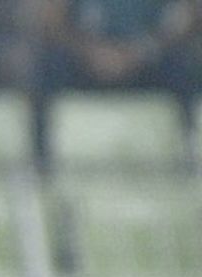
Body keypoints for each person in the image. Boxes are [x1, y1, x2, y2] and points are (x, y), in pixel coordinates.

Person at [30, 1, 202, 161]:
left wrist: (140, 52)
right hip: (88, 59)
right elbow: (50, 18)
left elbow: (187, 14)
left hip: (145, 60)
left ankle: (191, 150)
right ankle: (40, 157)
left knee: (183, 65)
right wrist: (91, 52)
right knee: (45, 65)